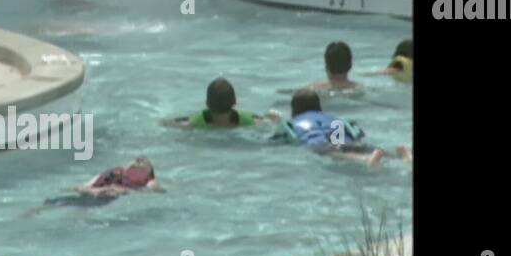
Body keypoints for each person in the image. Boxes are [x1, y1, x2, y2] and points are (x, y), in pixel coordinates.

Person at [271, 89, 411, 167]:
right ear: (319, 107)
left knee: (333, 152)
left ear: (294, 109)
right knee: (357, 145)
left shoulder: (293, 122)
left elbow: (279, 138)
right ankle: (399, 155)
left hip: (320, 141)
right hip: (342, 135)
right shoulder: (330, 117)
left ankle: (365, 160)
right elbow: (356, 132)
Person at [165, 78, 280, 129]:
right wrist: (273, 118)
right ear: (234, 102)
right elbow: (273, 123)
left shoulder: (196, 122)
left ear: (207, 103)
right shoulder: (247, 121)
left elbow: (168, 124)